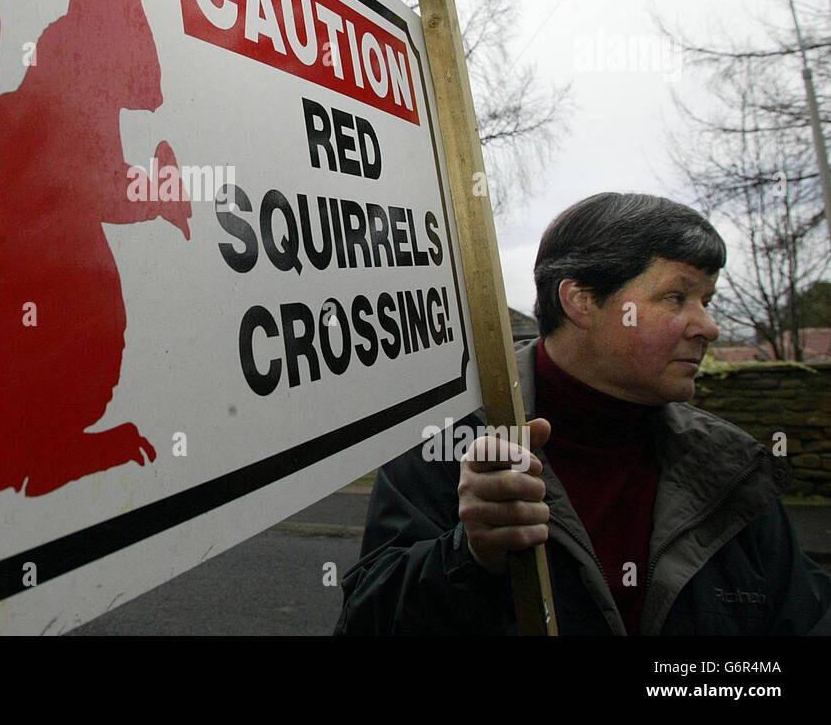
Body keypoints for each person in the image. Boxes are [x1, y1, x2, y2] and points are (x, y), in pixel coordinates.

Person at [335, 192, 831, 635]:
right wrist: (470, 555)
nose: (709, 326)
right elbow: (366, 619)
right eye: (677, 297)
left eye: (707, 300)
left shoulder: (732, 468)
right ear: (581, 301)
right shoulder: (448, 437)